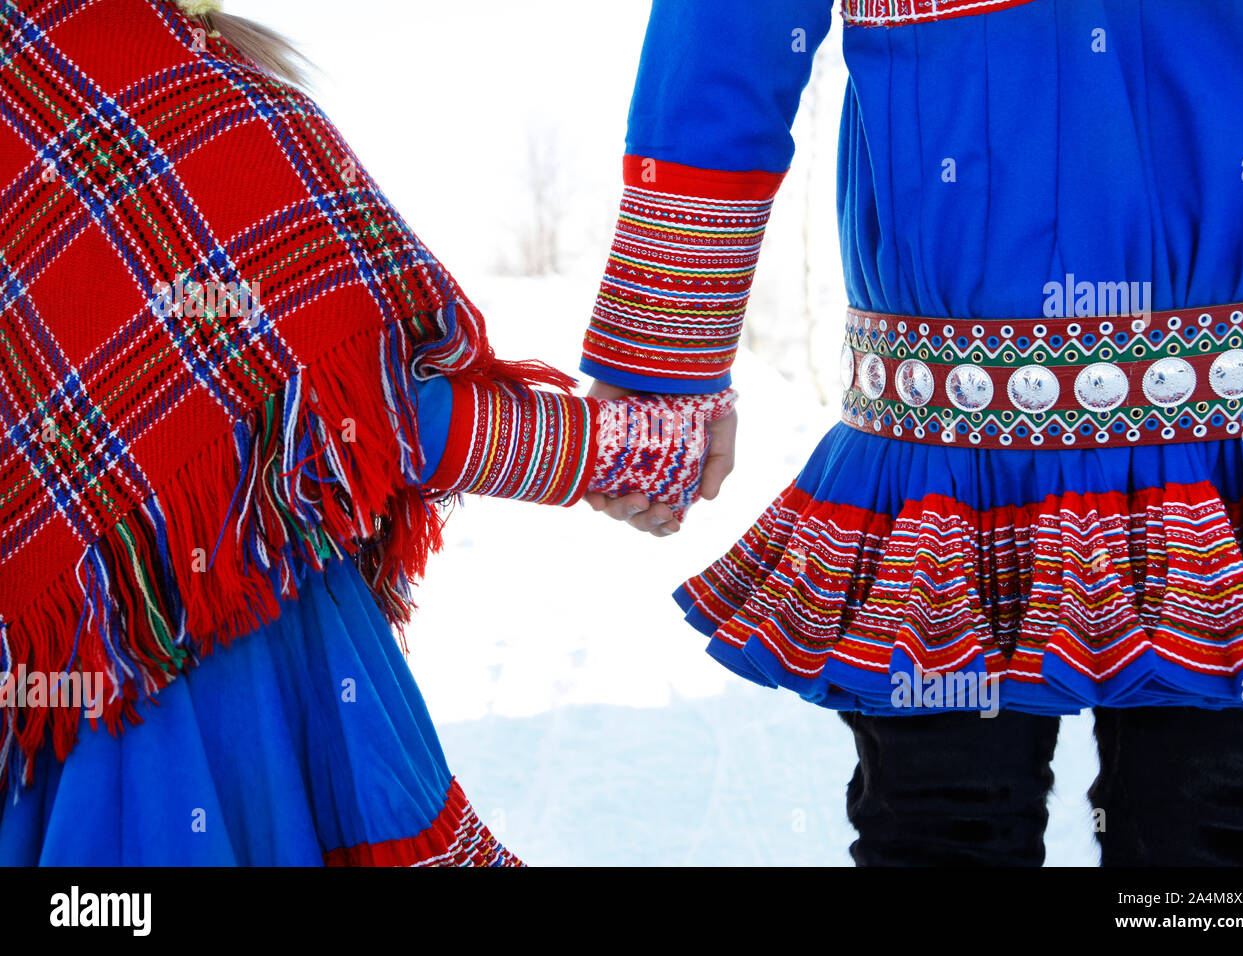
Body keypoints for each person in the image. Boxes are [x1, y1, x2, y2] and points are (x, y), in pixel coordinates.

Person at [0, 0, 731, 865]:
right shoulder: (162, 90)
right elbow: (371, 417)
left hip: (44, 720)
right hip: (232, 701)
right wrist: (633, 444)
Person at [583, 0, 1243, 865]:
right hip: (957, 451)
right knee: (984, 828)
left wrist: (661, 366)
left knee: (1214, 852)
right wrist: (662, 354)